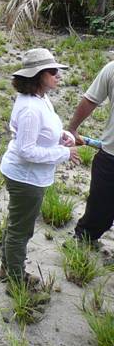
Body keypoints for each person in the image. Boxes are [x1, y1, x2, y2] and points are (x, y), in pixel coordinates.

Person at [0, 48, 79, 288]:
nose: (58, 75)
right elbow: (26, 150)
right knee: (21, 230)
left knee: (18, 224)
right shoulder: (30, 109)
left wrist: (62, 136)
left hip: (30, 176)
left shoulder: (40, 99)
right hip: (25, 178)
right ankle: (14, 277)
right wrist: (63, 153)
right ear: (37, 75)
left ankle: (8, 268)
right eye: (52, 71)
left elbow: (45, 131)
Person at [68, 59, 114, 247]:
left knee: (100, 205)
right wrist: (72, 129)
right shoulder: (112, 69)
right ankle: (84, 239)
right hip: (111, 155)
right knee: (99, 208)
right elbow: (91, 99)